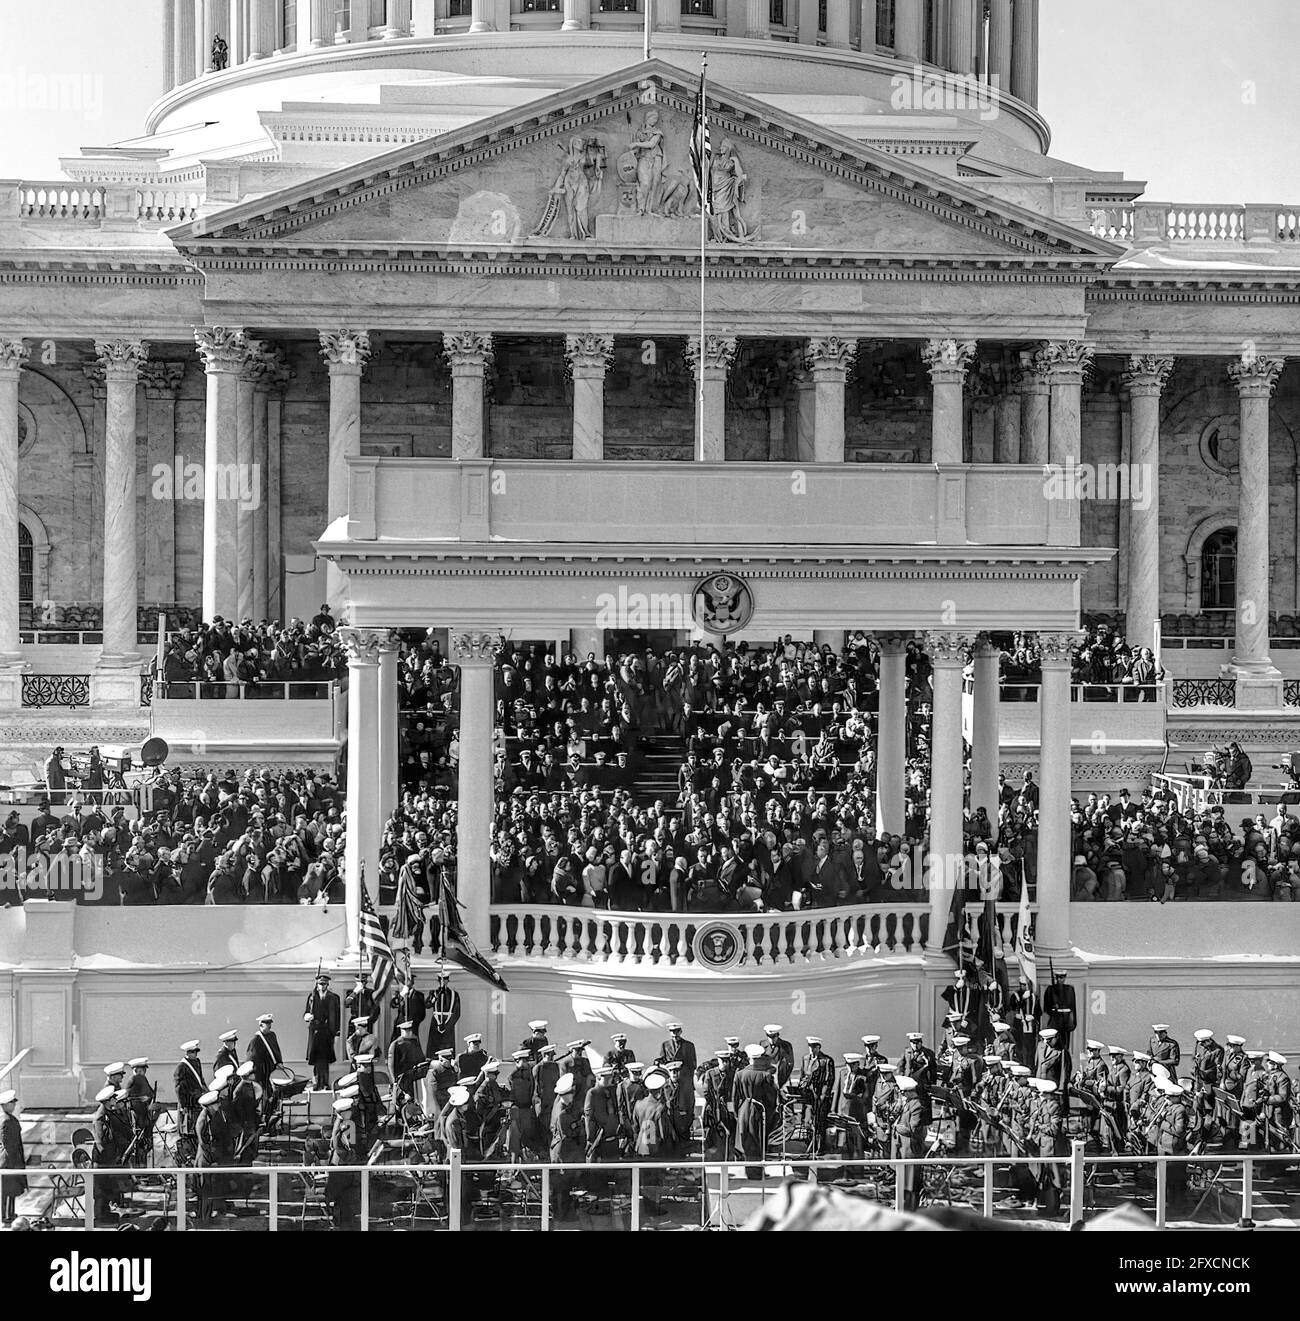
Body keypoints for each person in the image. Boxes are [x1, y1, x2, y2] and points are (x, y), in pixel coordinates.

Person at [632, 1071, 675, 1216]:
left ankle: (646, 1206)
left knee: (644, 1179)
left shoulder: (639, 1104)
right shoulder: (660, 1108)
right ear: (660, 1090)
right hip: (655, 1148)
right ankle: (653, 1209)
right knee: (655, 1180)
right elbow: (663, 1133)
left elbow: (635, 1127)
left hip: (640, 1146)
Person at [733, 1044, 779, 1179]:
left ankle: (750, 1171)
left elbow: (735, 1097)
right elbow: (771, 1097)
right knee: (759, 1140)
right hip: (759, 1109)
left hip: (744, 1109)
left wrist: (738, 1113)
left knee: (747, 1140)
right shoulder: (765, 1075)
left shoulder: (739, 1074)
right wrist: (770, 1113)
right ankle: (758, 1172)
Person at [549, 1073, 585, 1220]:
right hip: (564, 1154)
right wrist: (579, 1125)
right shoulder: (562, 1113)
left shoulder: (560, 1105)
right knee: (562, 1187)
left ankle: (563, 1213)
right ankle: (562, 1216)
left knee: (563, 1188)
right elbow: (569, 1134)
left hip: (561, 1153)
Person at [194, 1089, 234, 1222]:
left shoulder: (214, 1114)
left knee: (210, 1190)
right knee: (205, 1191)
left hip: (212, 1158)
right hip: (205, 1160)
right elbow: (205, 1143)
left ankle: (207, 1215)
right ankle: (204, 1220)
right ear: (210, 1105)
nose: (219, 1105)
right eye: (216, 1104)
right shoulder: (203, 1120)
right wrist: (213, 1161)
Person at [891, 1074, 928, 1212]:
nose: (901, 1094)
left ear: (909, 1092)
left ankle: (910, 1208)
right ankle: (902, 1205)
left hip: (911, 1151)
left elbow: (913, 1129)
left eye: (903, 1092)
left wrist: (896, 1127)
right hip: (902, 1149)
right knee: (903, 1181)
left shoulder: (916, 1106)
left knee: (910, 1183)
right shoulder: (907, 1103)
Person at [304, 971, 341, 1089]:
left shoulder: (333, 998)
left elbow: (337, 1016)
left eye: (324, 984)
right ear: (317, 984)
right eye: (320, 984)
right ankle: (316, 1082)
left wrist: (336, 1031)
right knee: (315, 1058)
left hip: (326, 1031)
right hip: (315, 1031)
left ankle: (324, 1082)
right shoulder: (312, 997)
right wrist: (307, 1017)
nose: (322, 986)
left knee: (324, 1059)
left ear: (327, 985)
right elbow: (306, 1012)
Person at [173, 1040, 206, 1153]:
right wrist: (183, 1105)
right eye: (192, 1052)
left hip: (198, 1100)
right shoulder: (181, 1067)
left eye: (196, 1052)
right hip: (189, 1103)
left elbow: (200, 1079)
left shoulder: (197, 1062)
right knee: (189, 1129)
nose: (194, 1054)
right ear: (187, 1053)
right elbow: (179, 1088)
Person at [124, 1058, 156, 1166]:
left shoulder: (142, 1079)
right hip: (138, 1115)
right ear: (135, 1070)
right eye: (140, 1070)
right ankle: (140, 1166)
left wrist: (148, 1098)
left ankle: (143, 1165)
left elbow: (150, 1093)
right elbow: (127, 1097)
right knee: (139, 1142)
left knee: (144, 1141)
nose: (142, 1072)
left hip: (144, 1113)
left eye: (143, 1070)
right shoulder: (134, 1079)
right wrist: (143, 1098)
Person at [0, 1088, 25, 1225]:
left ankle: (9, 1214)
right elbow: (9, 1145)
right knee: (9, 1191)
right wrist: (14, 1162)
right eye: (11, 1103)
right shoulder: (7, 1121)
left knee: (10, 1191)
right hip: (9, 1161)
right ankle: (7, 1216)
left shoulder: (7, 1119)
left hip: (10, 1160)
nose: (14, 1105)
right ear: (5, 1104)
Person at [389, 1020, 427, 1107]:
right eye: (406, 1030)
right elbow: (391, 1065)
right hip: (403, 1078)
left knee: (416, 1102)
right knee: (403, 1102)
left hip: (415, 1076)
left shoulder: (415, 1041)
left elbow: (420, 1057)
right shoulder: (396, 1044)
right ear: (401, 1031)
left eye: (410, 1030)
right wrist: (394, 1080)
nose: (408, 1032)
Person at [426, 971, 461, 1056]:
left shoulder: (454, 994)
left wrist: (447, 1026)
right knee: (434, 1046)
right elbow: (427, 1005)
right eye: (441, 979)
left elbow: (457, 1013)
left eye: (445, 979)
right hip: (436, 1023)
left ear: (448, 980)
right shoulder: (433, 993)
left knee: (447, 1048)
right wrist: (435, 997)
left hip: (448, 1024)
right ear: (438, 981)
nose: (443, 981)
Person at [389, 975, 427, 1046]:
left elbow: (422, 1013)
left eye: (409, 980)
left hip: (412, 1025)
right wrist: (402, 995)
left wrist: (413, 1022)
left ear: (412, 982)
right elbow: (393, 1004)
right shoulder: (400, 994)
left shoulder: (419, 995)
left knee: (412, 1046)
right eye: (406, 980)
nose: (407, 982)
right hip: (400, 1024)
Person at [762, 1024, 794, 1088]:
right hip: (766, 1077)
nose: (771, 1039)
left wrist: (784, 1080)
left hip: (781, 1077)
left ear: (777, 1035)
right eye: (769, 1036)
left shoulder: (786, 1046)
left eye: (773, 1037)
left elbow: (790, 1064)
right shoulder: (762, 1044)